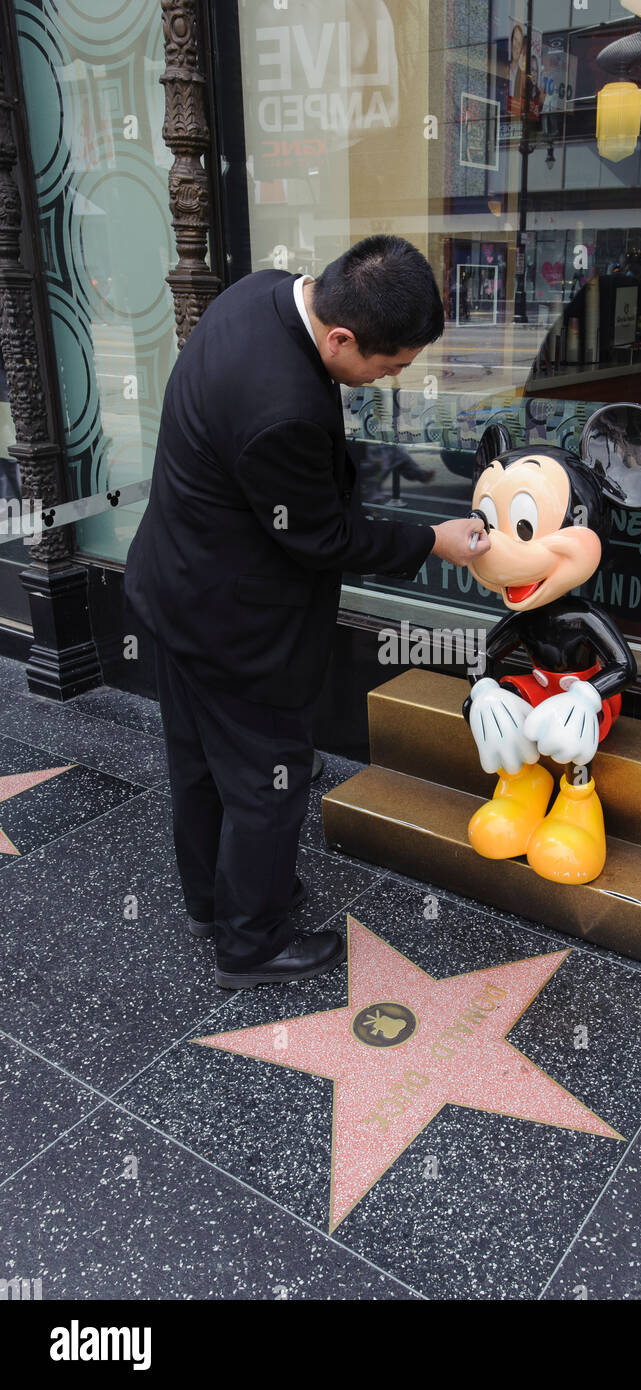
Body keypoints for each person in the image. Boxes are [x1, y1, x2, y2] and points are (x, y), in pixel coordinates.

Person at [124, 236, 489, 990]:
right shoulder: (281, 408)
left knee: (198, 765)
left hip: (174, 587)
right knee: (269, 783)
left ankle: (213, 903)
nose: (384, 382)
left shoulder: (261, 292)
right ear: (340, 336)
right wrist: (431, 541)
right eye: (386, 368)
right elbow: (320, 536)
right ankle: (250, 944)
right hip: (235, 624)